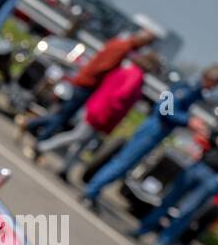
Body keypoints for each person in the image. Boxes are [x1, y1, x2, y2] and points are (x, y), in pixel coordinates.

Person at [82, 65, 218, 210]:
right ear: (209, 79)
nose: (214, 88)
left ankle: (93, 191)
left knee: (125, 163)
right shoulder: (187, 88)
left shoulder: (193, 90)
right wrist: (188, 121)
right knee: (123, 162)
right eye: (215, 84)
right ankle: (91, 192)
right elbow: (164, 109)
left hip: (158, 128)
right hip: (155, 127)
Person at [33, 50, 159, 180]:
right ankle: (42, 146)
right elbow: (122, 96)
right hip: (103, 113)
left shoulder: (128, 69)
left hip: (97, 106)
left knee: (82, 143)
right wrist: (112, 115)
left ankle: (66, 168)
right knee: (78, 136)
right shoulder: (136, 76)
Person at [25, 29, 155, 141]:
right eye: (146, 43)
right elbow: (105, 67)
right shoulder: (123, 49)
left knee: (64, 114)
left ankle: (35, 130)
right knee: (63, 116)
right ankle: (36, 133)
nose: (143, 47)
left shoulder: (119, 43)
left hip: (85, 80)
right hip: (88, 84)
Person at [131, 126, 218, 245]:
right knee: (168, 200)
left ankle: (162, 242)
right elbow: (211, 136)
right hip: (200, 165)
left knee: (187, 210)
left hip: (214, 178)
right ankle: (143, 229)